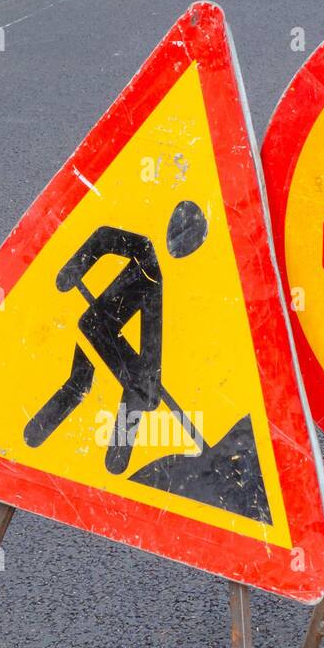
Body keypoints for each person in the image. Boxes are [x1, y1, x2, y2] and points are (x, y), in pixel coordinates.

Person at [24, 200, 208, 474]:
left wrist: (149, 377)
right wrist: (72, 270)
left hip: (101, 328)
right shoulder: (145, 248)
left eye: (189, 245)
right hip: (95, 326)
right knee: (83, 380)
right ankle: (37, 432)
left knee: (133, 389)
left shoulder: (164, 279)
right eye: (184, 240)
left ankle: (117, 455)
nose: (181, 248)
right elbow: (102, 239)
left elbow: (152, 330)